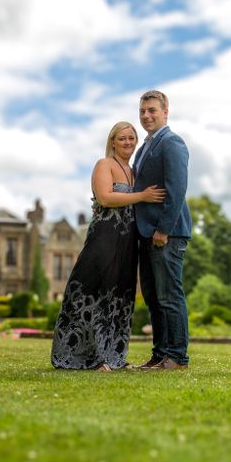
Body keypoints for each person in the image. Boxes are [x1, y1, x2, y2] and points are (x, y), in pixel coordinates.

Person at [51, 122, 165, 371]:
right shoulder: (104, 165)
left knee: (120, 297)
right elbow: (105, 197)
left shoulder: (133, 171)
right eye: (122, 138)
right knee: (94, 293)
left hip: (127, 242)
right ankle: (87, 358)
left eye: (131, 138)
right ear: (112, 141)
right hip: (104, 237)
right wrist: (142, 196)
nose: (127, 142)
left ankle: (114, 357)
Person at [132, 89, 193, 370]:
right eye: (143, 111)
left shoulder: (172, 143)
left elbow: (177, 189)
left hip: (166, 232)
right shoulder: (145, 147)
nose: (146, 116)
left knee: (169, 295)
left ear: (165, 112)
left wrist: (163, 229)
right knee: (154, 298)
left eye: (152, 111)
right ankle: (160, 354)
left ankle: (177, 356)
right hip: (147, 232)